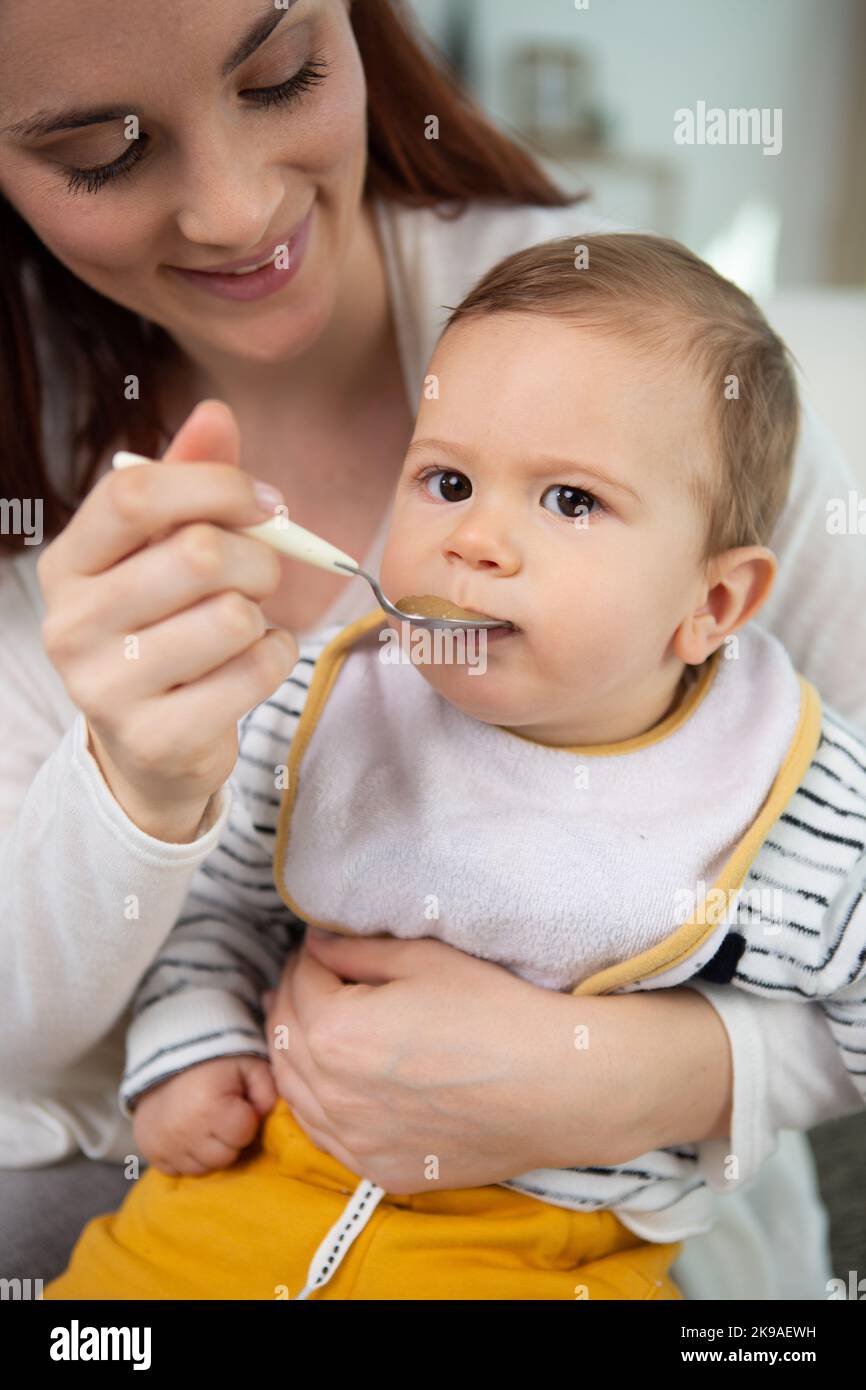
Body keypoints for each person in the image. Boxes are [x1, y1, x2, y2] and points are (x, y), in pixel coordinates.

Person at [0, 0, 863, 1296]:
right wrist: (138, 801)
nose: (237, 210)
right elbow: (214, 922)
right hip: (210, 1203)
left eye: (281, 75)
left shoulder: (658, 366)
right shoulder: (333, 701)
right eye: (105, 149)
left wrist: (618, 1075)